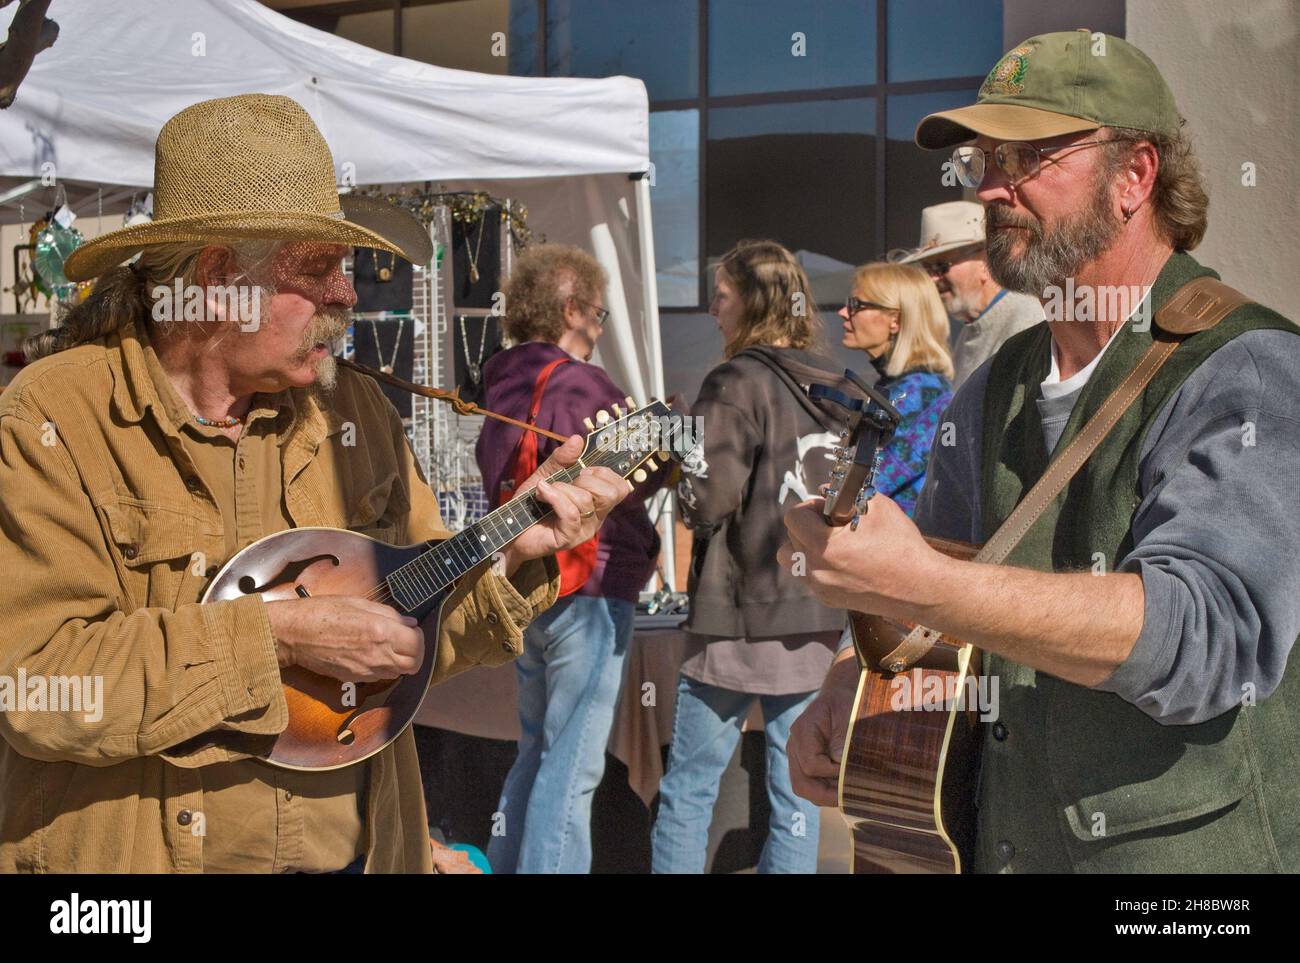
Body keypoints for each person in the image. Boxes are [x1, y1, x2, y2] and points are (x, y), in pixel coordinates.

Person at [0, 95, 629, 874]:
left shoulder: (349, 407)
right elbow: (35, 684)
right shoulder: (56, 417)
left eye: (345, 267)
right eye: (317, 268)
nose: (347, 294)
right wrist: (277, 636)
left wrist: (509, 551)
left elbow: (414, 627)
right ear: (218, 276)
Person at [782, 31, 1300, 873]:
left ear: (1135, 174)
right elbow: (935, 576)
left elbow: (1206, 638)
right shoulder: (995, 386)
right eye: (984, 161)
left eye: (1026, 158)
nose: (991, 187)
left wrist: (921, 582)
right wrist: (854, 673)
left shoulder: (1249, 367)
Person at [651, 239, 863, 874]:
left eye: (721, 296)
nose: (714, 310)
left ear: (749, 302)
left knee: (688, 792)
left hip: (737, 617)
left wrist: (680, 448)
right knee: (796, 793)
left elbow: (706, 503)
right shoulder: (833, 382)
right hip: (815, 611)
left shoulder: (736, 380)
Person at [475, 244, 668, 874]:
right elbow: (634, 474)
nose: (602, 329)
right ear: (573, 309)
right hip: (587, 582)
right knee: (573, 766)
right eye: (601, 315)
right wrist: (670, 446)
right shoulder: (582, 382)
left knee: (535, 750)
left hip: (520, 585)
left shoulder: (498, 379)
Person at [838, 262, 953, 517]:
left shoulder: (922, 393)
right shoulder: (905, 387)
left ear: (896, 320)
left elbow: (864, 488)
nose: (843, 312)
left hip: (896, 548)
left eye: (857, 305)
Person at [898, 200, 1042, 388]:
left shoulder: (1027, 319)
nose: (932, 279)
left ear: (986, 260)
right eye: (928, 269)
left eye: (941, 267)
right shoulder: (970, 329)